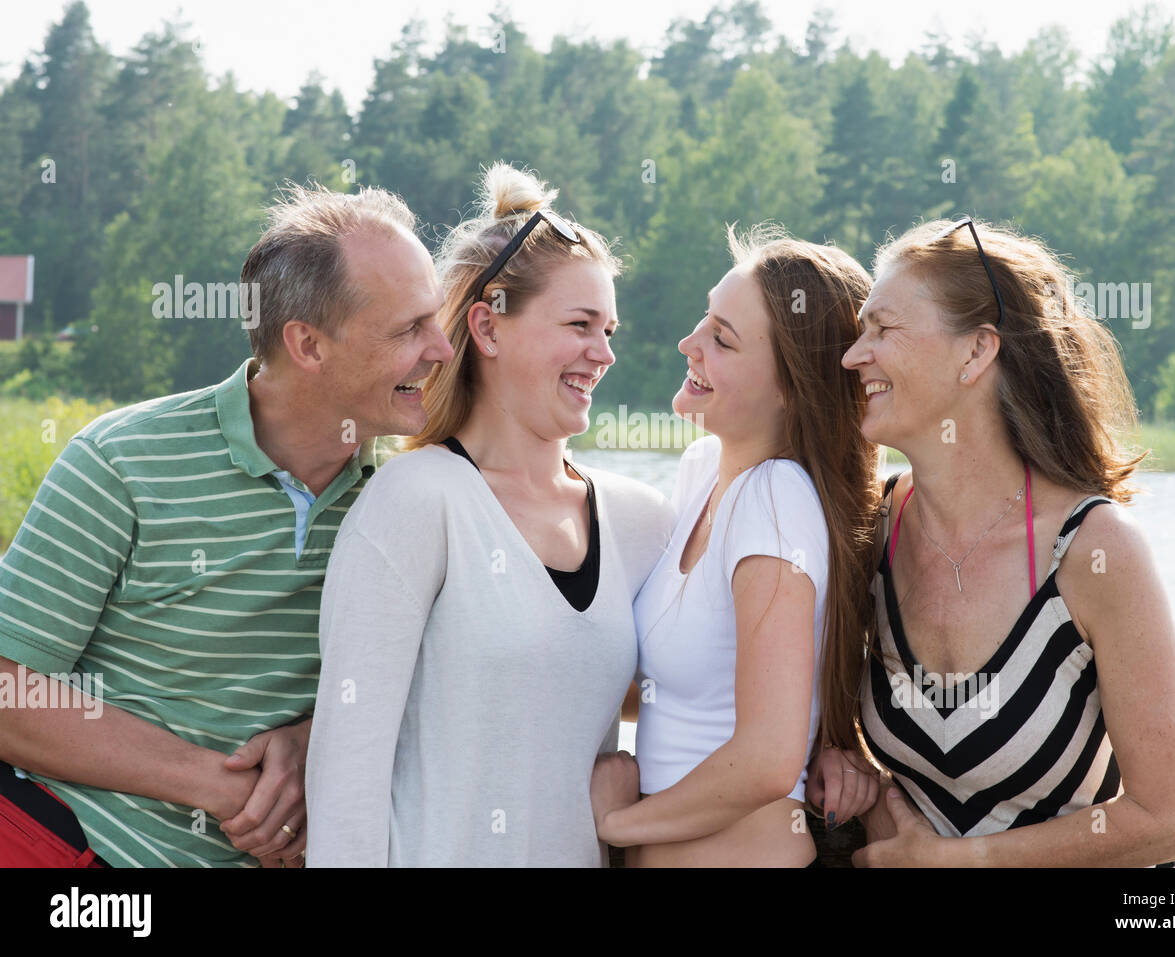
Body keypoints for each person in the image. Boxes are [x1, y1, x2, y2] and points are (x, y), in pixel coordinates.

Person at [0, 183, 454, 867]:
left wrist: (312, 738)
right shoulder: (122, 459)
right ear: (307, 344)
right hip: (77, 856)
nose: (442, 349)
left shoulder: (406, 500)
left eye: (437, 320)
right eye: (409, 329)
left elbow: (438, 687)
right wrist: (213, 783)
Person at [303, 164, 672, 867]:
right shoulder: (417, 500)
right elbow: (348, 770)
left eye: (610, 328)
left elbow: (705, 695)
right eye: (579, 325)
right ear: (487, 326)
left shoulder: (642, 521)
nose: (604, 353)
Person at [814, 216, 1175, 866]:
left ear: (976, 351)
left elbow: (1170, 820)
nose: (855, 355)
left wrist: (961, 861)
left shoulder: (1094, 551)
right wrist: (844, 759)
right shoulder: (871, 528)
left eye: (882, 329)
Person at [589, 226, 878, 866]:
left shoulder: (774, 498)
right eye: (704, 320)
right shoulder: (702, 472)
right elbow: (691, 683)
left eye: (722, 339)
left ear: (790, 387)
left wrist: (618, 822)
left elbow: (769, 760)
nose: (688, 344)